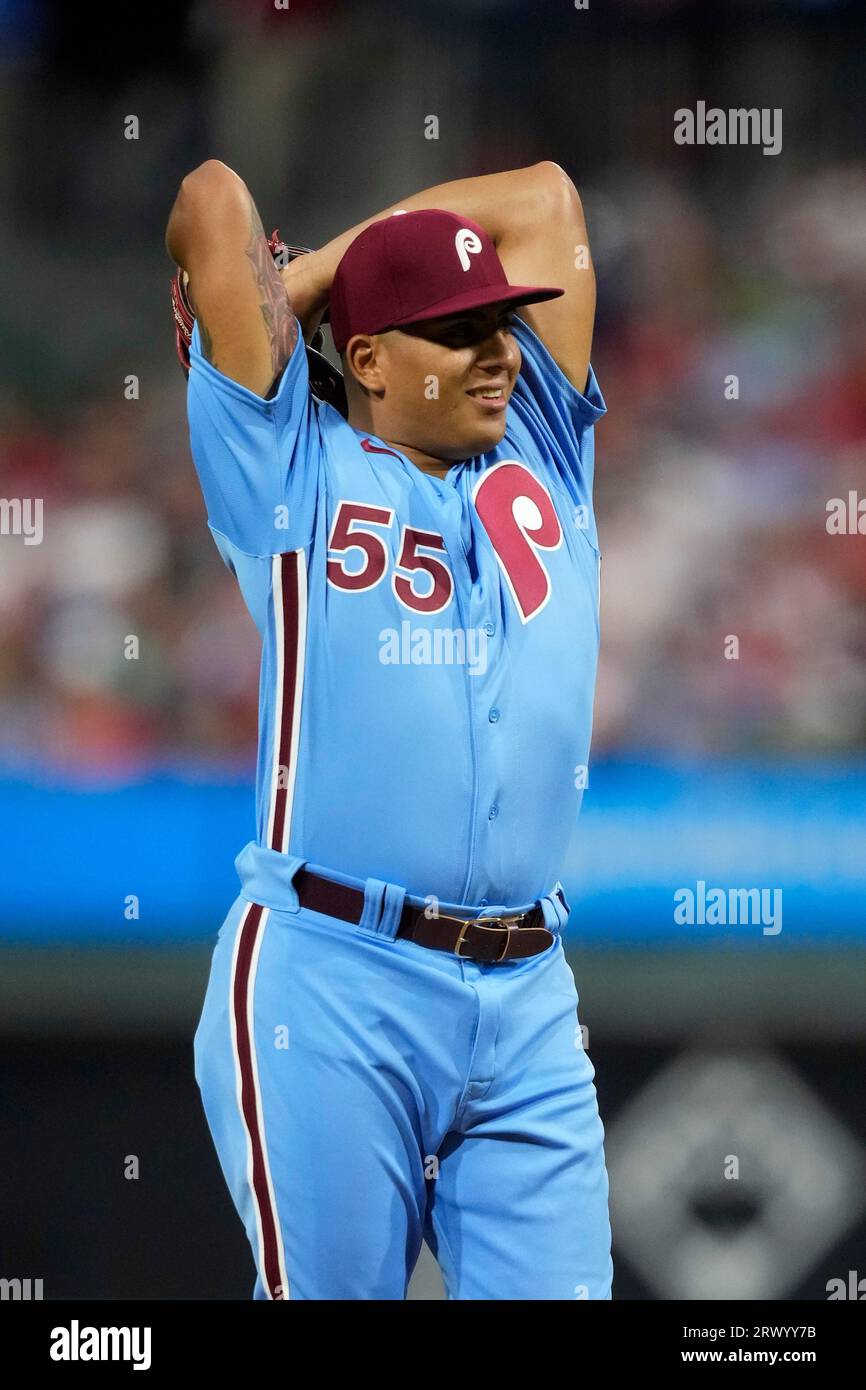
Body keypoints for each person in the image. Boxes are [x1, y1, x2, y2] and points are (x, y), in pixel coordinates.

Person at [166, 157, 613, 1300]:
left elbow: (546, 200)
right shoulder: (289, 470)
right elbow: (212, 203)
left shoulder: (544, 447)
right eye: (456, 332)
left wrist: (321, 269)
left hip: (525, 995)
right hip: (333, 973)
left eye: (500, 324)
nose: (499, 353)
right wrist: (310, 304)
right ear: (365, 358)